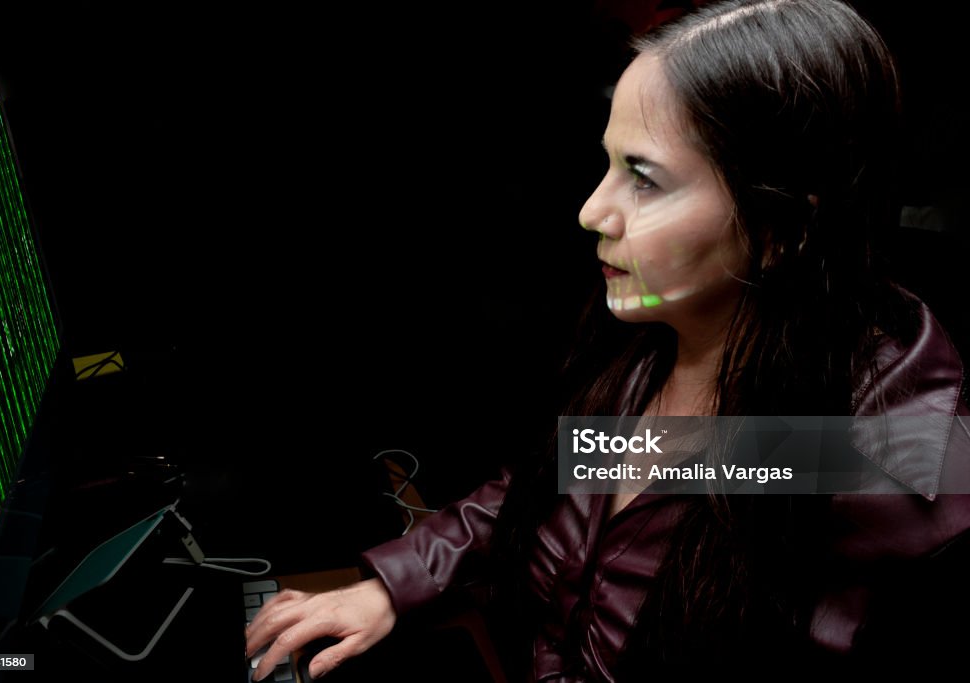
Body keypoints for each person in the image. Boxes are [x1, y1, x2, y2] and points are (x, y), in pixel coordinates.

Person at [246, 0, 970, 679]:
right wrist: (394, 585)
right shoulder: (653, 339)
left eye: (645, 180)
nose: (594, 210)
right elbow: (552, 483)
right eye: (609, 164)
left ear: (782, 231)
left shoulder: (873, 463)